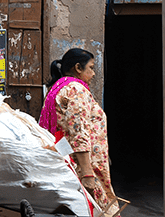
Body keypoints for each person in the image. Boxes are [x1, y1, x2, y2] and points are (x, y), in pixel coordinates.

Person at [39, 48, 120, 217]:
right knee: (101, 212)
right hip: (84, 167)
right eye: (91, 68)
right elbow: (78, 132)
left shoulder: (59, 87)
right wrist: (88, 174)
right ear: (78, 68)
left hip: (69, 162)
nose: (94, 73)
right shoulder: (76, 89)